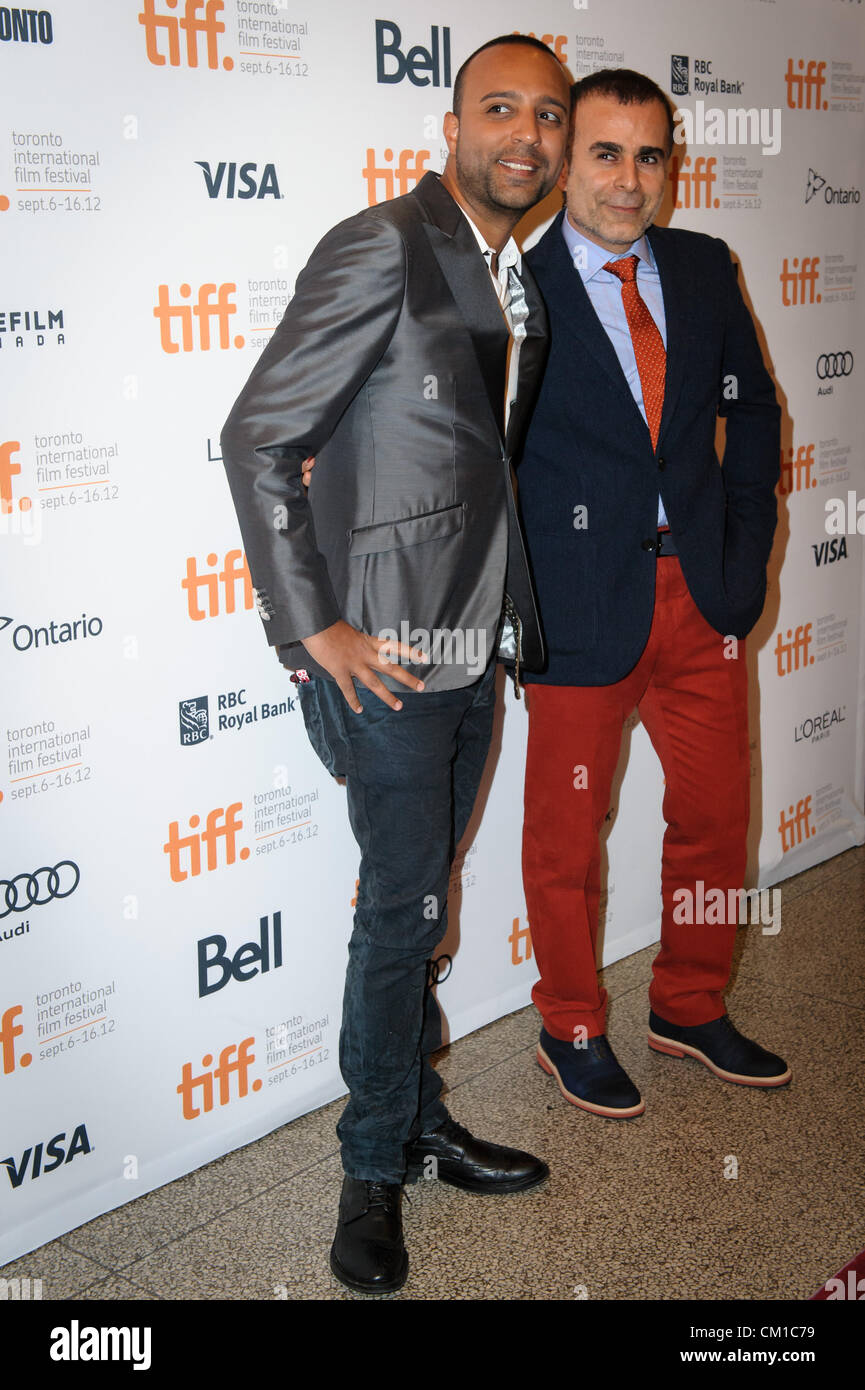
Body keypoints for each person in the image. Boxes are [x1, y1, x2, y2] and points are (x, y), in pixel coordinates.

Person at [220, 35, 571, 1293]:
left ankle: (415, 1120)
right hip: (385, 657)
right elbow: (258, 435)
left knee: (419, 899)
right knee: (397, 911)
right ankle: (372, 1166)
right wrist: (312, 628)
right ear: (450, 126)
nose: (524, 135)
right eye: (499, 109)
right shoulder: (382, 241)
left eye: (546, 114)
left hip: (474, 646)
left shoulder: (511, 272)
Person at [518, 68, 790, 1121]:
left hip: (701, 605)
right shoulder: (513, 287)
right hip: (581, 610)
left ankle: (687, 1002)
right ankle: (569, 1022)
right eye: (604, 153)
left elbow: (753, 416)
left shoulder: (703, 266)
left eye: (648, 155)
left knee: (716, 821)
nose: (628, 181)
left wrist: (744, 554)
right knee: (564, 838)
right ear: (562, 161)